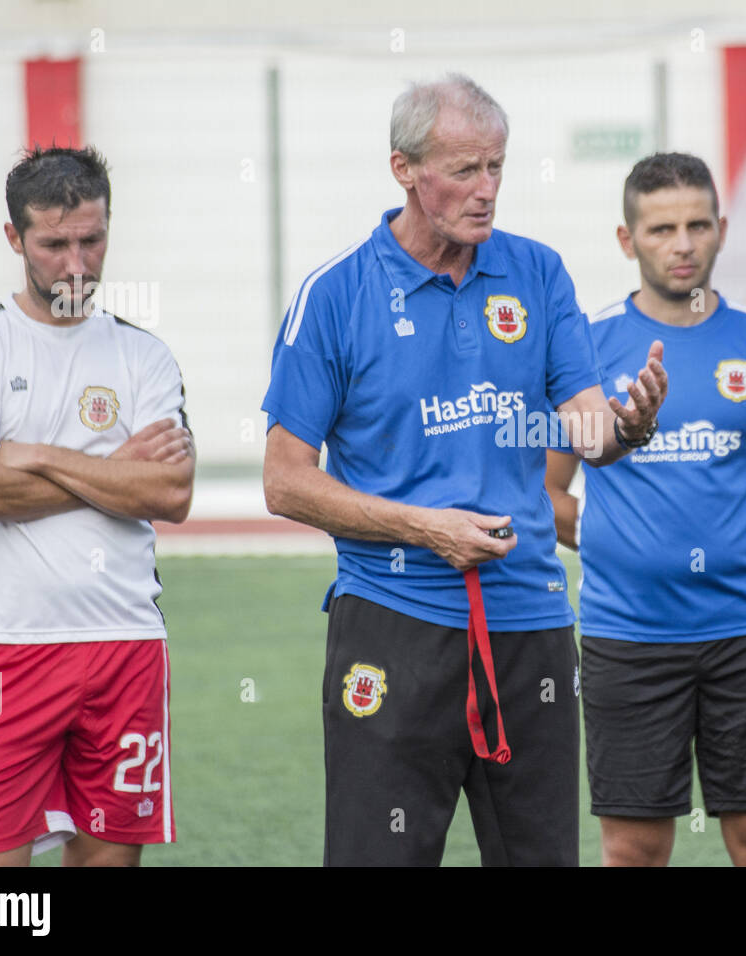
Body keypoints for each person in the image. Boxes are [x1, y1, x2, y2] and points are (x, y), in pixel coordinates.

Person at [261, 74, 667, 867]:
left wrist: (629, 426)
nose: (486, 192)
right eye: (464, 170)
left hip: (531, 624)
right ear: (403, 168)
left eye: (497, 168)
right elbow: (284, 480)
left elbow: (587, 427)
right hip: (393, 619)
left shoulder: (538, 273)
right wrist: (422, 526)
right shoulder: (335, 296)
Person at [545, 152, 746, 866]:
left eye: (697, 225)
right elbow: (544, 493)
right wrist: (622, 546)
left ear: (722, 230)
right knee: (635, 848)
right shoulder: (583, 345)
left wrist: (735, 550)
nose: (682, 244)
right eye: (662, 228)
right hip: (627, 634)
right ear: (626, 240)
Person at [0, 146, 195, 867]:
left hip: (126, 646)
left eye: (92, 239)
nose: (77, 265)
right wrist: (113, 472)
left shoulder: (145, 356)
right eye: (54, 244)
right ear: (15, 239)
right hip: (9, 649)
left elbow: (169, 492)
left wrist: (39, 454)